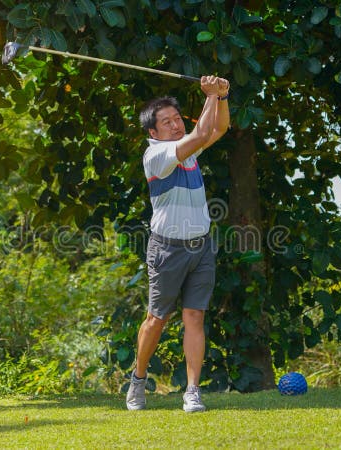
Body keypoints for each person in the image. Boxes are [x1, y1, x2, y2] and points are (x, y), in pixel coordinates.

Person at [126, 76, 230, 412]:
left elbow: (217, 130)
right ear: (153, 133)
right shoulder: (157, 156)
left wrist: (222, 97)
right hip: (167, 248)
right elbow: (201, 133)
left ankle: (192, 391)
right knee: (156, 319)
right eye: (166, 122)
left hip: (200, 246)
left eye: (176, 119)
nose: (174, 125)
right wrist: (211, 94)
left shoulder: (187, 149)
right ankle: (138, 380)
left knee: (194, 316)